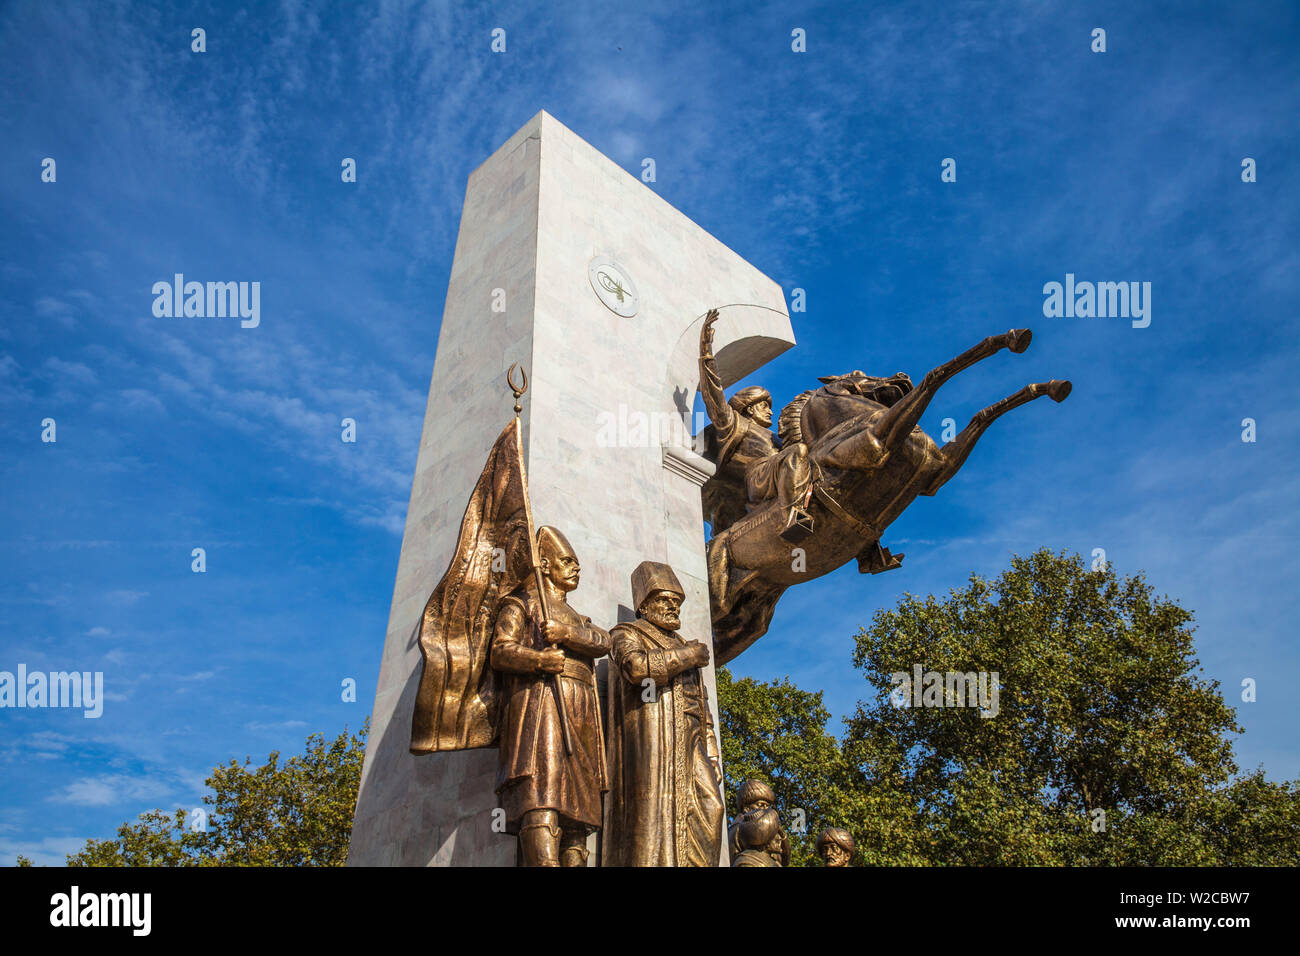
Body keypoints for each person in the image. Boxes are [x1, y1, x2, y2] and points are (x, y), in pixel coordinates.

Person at [491, 526, 610, 866]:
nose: (576, 569)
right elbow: (500, 651)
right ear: (544, 564)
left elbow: (603, 641)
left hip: (581, 708)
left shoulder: (578, 617)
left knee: (578, 807)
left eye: (577, 563)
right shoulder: (521, 604)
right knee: (542, 794)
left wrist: (568, 633)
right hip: (540, 705)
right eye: (567, 561)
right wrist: (539, 659)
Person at [604, 561, 725, 866]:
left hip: (692, 741)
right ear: (644, 606)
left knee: (712, 807)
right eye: (665, 600)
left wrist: (712, 754)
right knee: (653, 816)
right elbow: (636, 669)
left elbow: (703, 703)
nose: (674, 606)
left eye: (677, 601)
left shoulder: (684, 643)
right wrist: (688, 656)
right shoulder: (626, 633)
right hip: (653, 741)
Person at [698, 308, 814, 542]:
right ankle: (790, 515)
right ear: (750, 409)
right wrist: (706, 352)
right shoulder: (735, 424)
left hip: (778, 475)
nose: (770, 410)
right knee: (798, 452)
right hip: (757, 480)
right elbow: (713, 397)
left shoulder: (776, 438)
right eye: (764, 406)